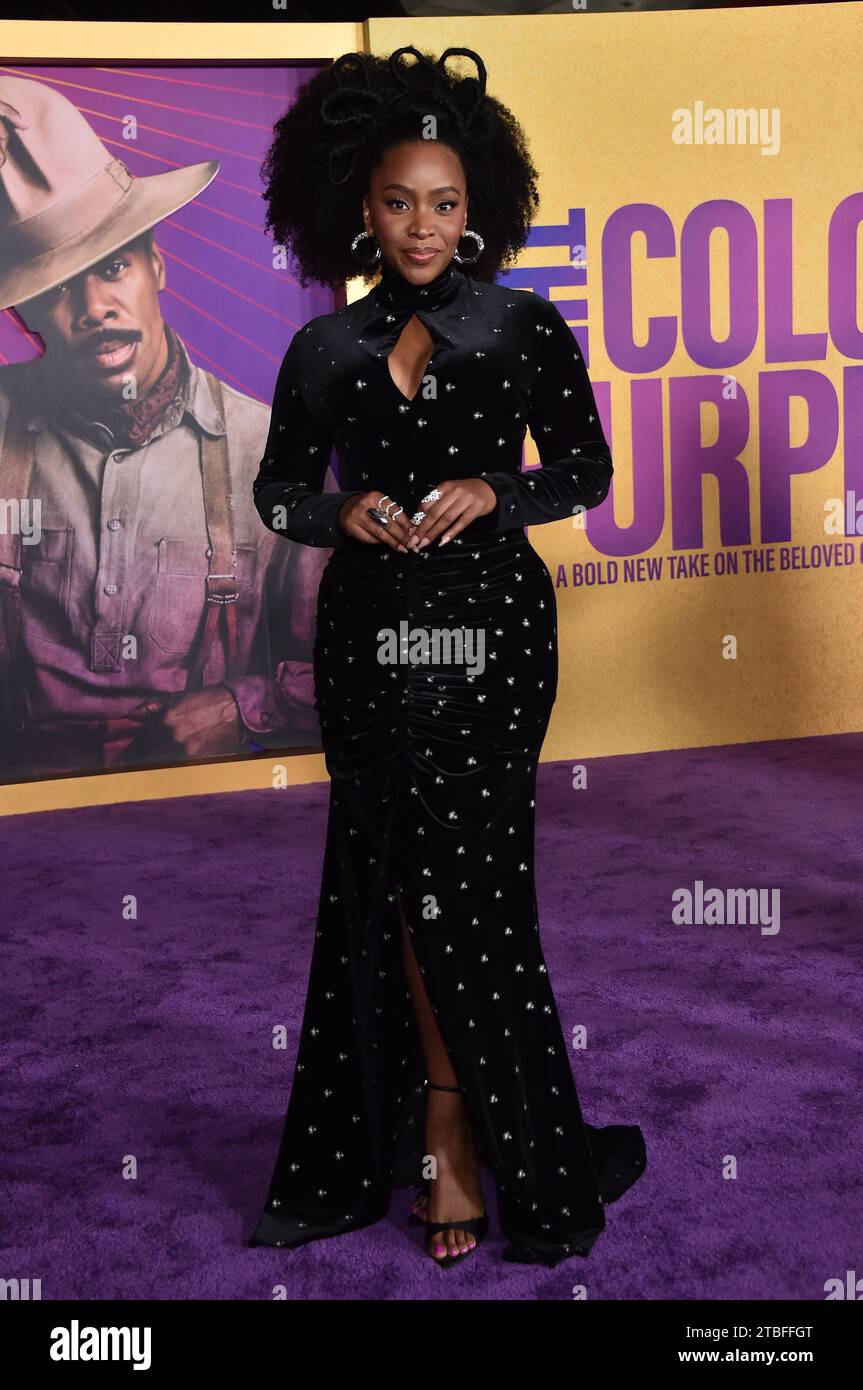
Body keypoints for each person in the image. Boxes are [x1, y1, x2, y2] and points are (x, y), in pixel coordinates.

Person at [248, 45, 646, 1268]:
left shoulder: (523, 327)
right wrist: (338, 513)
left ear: (477, 210)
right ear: (356, 207)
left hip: (492, 638)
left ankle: (463, 1143)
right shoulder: (323, 353)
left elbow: (586, 471)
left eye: (443, 203)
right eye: (395, 201)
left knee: (470, 881)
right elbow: (274, 493)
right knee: (383, 876)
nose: (420, 225)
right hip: (369, 636)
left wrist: (494, 486)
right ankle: (433, 1132)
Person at [0, 76, 326, 779]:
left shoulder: (265, 449)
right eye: (55, 288)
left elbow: (354, 671)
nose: (92, 308)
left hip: (203, 819)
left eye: (112, 267)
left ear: (156, 264)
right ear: (23, 315)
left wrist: (245, 709)